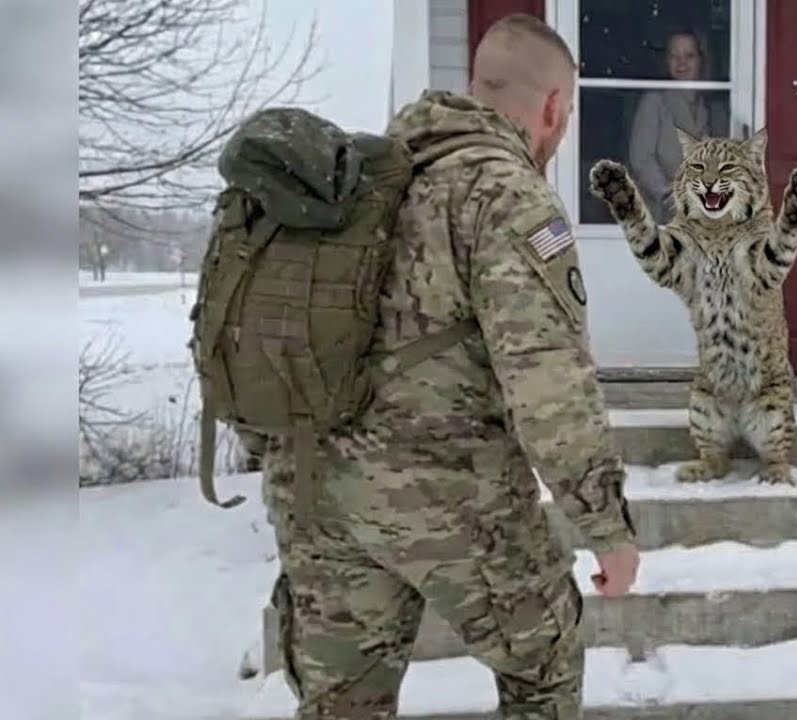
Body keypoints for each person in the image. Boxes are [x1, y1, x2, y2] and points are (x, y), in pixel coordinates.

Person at [260, 13, 640, 720]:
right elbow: (548, 383)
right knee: (546, 663)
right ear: (554, 108)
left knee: (342, 703)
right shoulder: (507, 193)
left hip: (314, 491)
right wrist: (606, 526)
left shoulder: (364, 177)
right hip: (446, 496)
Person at [627, 29, 730, 222]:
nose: (681, 63)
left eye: (689, 56)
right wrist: (669, 196)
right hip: (663, 216)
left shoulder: (713, 107)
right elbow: (641, 160)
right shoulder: (655, 101)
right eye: (674, 56)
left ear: (701, 59)